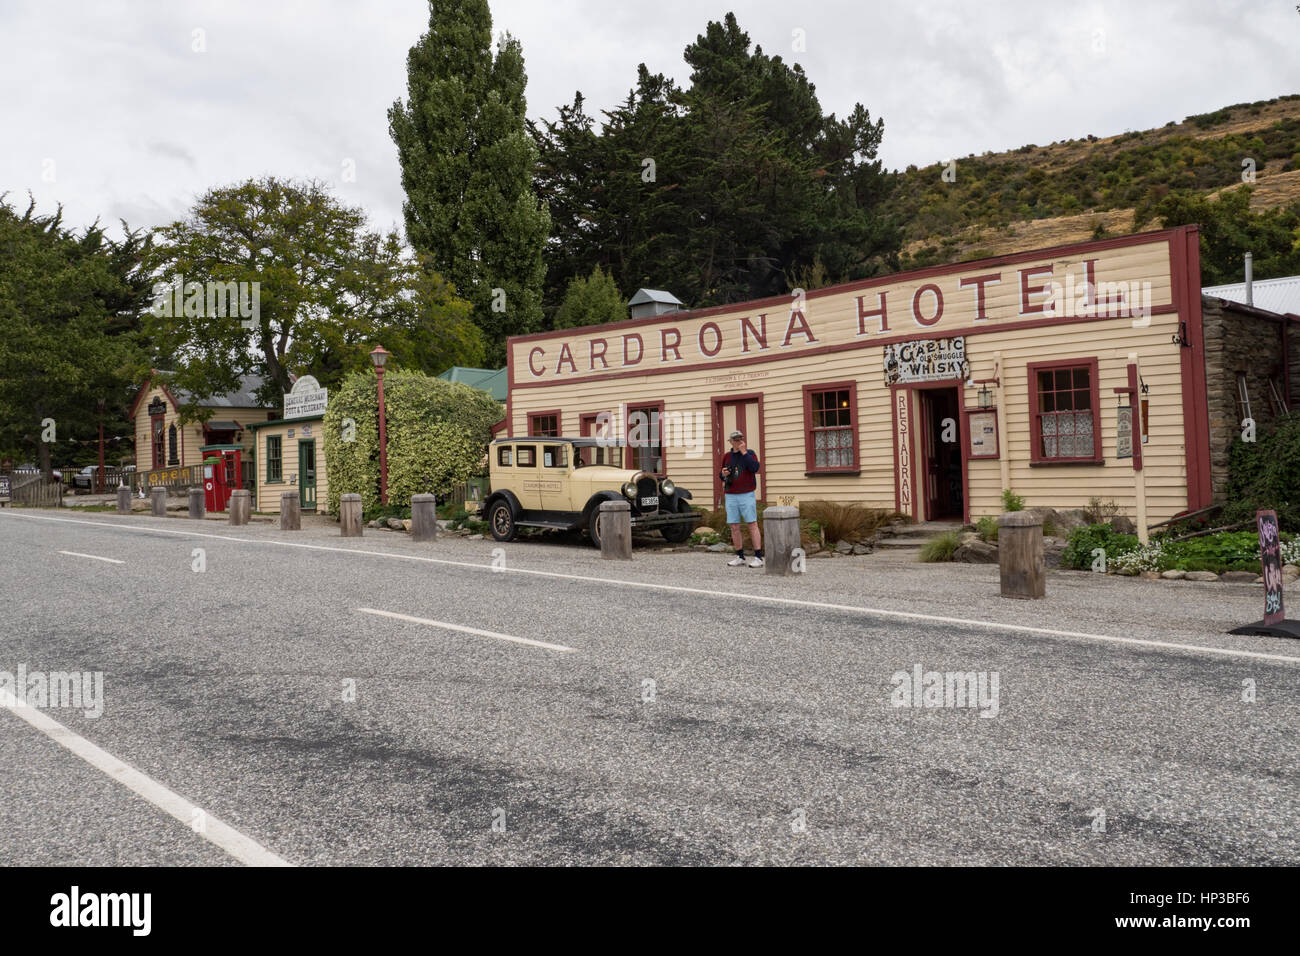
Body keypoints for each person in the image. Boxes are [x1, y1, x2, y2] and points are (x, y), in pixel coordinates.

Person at [718, 430, 763, 567]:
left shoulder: (750, 454)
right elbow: (722, 475)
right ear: (730, 442)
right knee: (734, 526)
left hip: (746, 494)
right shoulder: (727, 456)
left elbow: (755, 467)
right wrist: (723, 474)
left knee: (752, 524)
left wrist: (744, 453)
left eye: (740, 440)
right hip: (731, 494)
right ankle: (740, 556)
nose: (738, 442)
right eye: (735, 440)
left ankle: (758, 557)